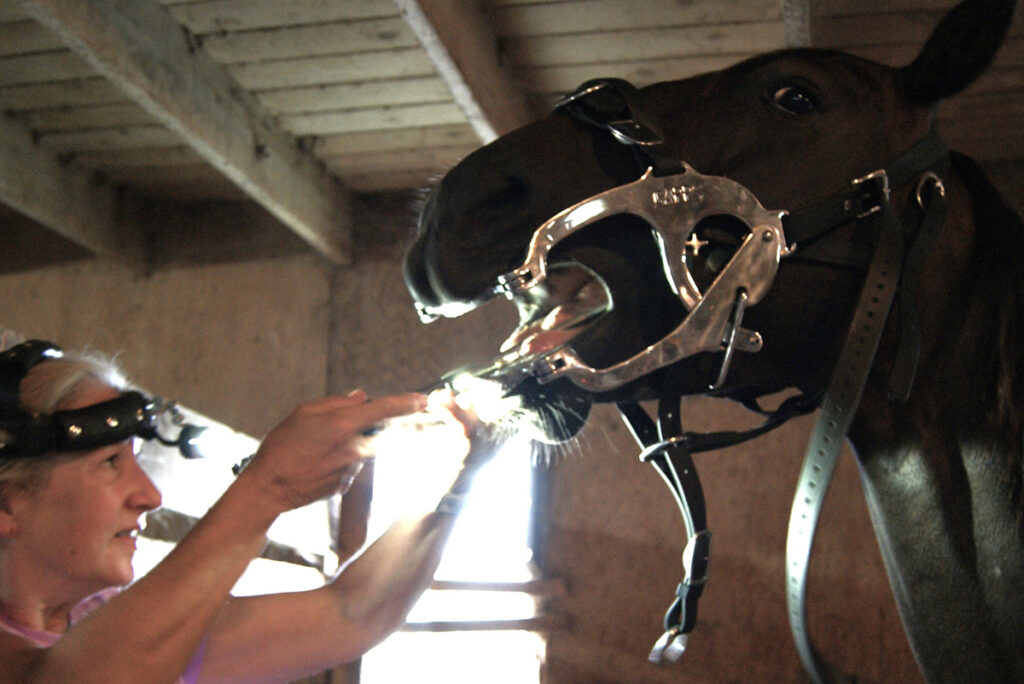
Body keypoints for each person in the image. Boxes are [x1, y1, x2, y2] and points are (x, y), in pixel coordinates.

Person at [0, 340, 496, 683]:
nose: (149, 494)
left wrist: (456, 478)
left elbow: (350, 615)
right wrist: (267, 487)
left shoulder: (101, 620)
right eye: (110, 463)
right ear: (6, 504)